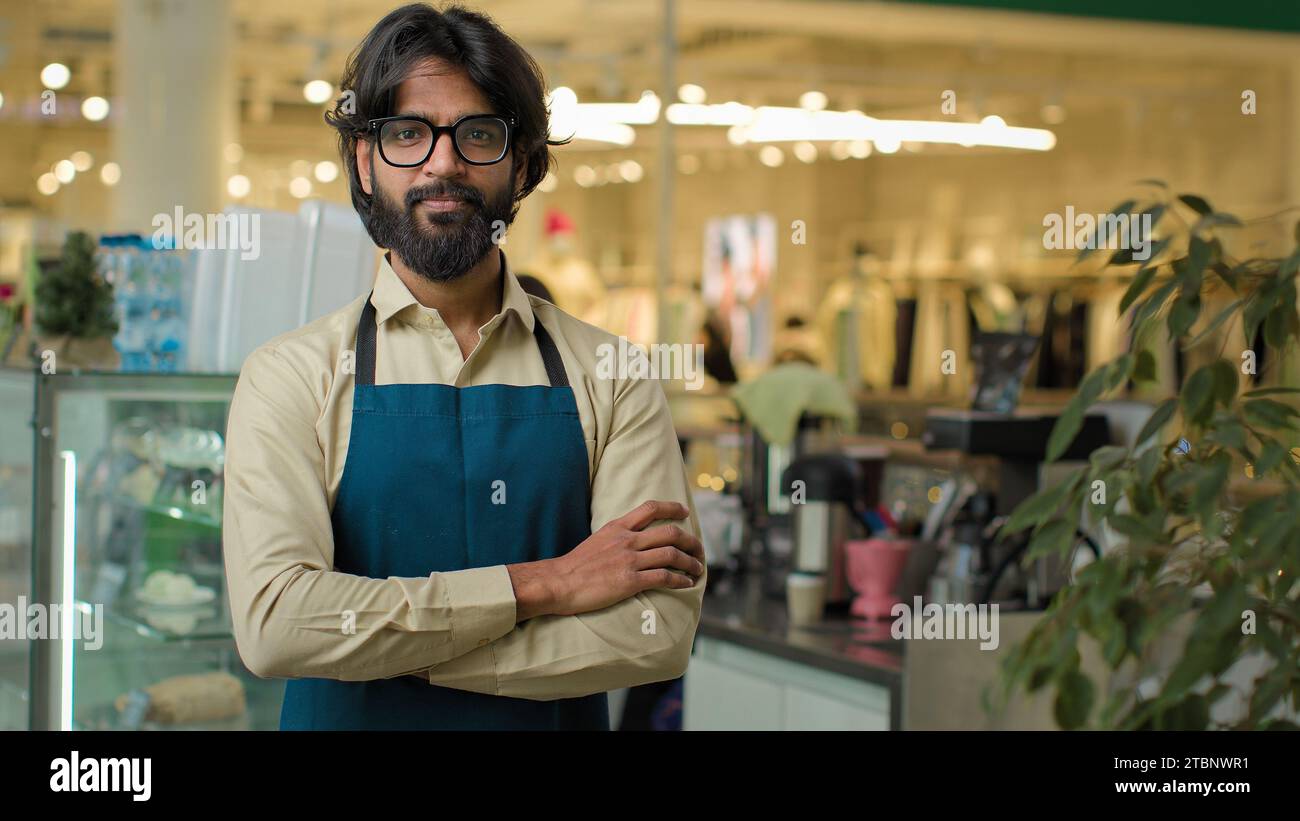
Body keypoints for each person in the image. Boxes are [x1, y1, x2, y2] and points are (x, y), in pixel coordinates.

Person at [221, 3, 706, 731]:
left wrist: (393, 654)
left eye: (478, 135)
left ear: (525, 163)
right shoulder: (290, 375)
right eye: (407, 134)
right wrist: (548, 584)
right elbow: (276, 625)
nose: (442, 163)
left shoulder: (614, 373)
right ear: (364, 159)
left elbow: (656, 633)